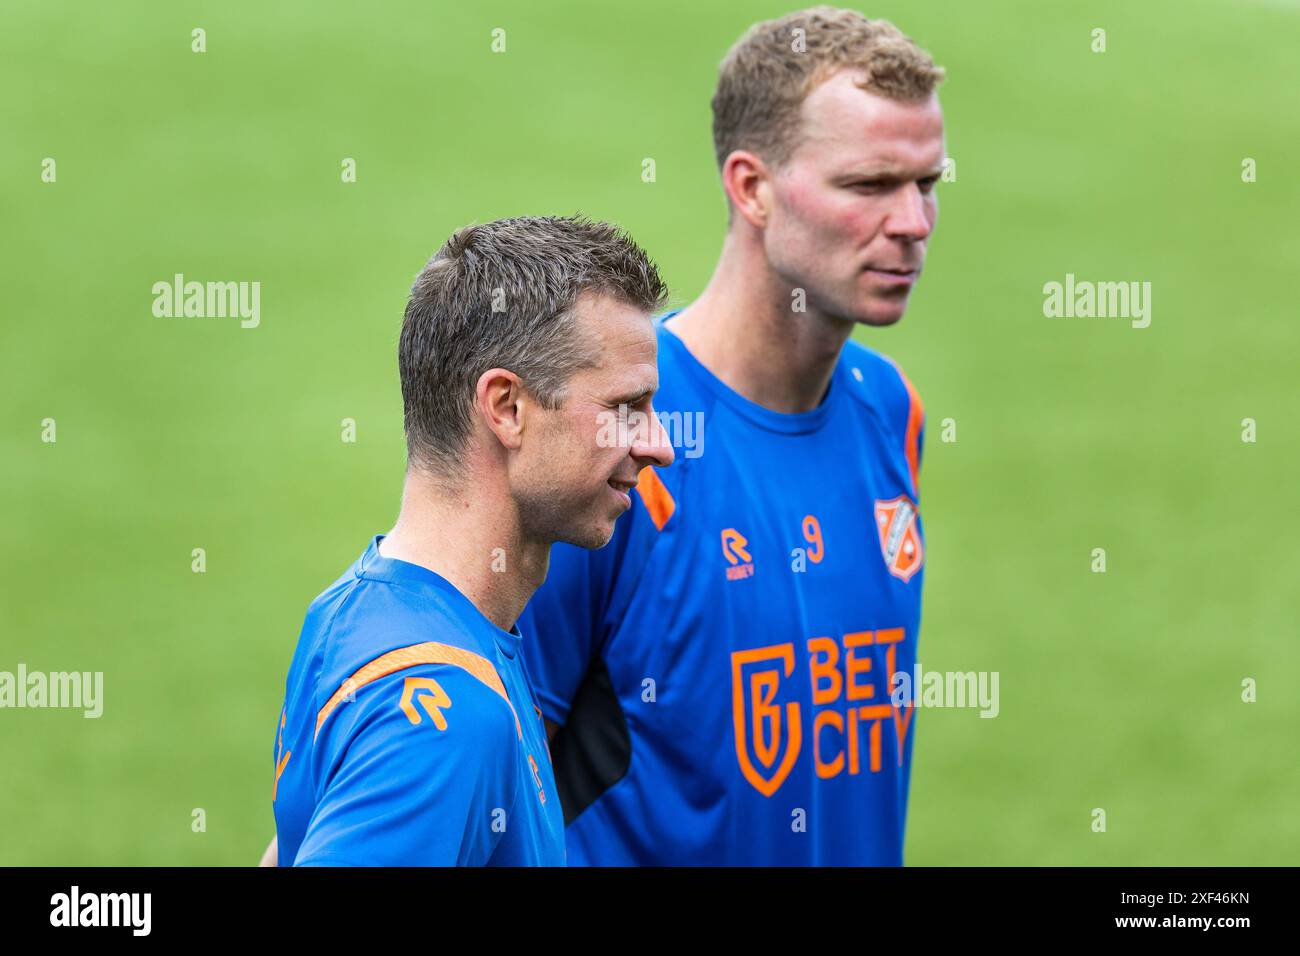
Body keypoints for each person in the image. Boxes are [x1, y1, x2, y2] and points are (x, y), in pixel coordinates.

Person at [520, 7, 945, 864]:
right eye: (868, 186)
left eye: (927, 183)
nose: (914, 224)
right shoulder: (620, 432)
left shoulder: (889, 410)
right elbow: (457, 762)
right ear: (750, 187)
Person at [264, 216, 675, 865]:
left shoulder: (353, 610)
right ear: (507, 407)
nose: (660, 445)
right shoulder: (447, 716)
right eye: (627, 408)